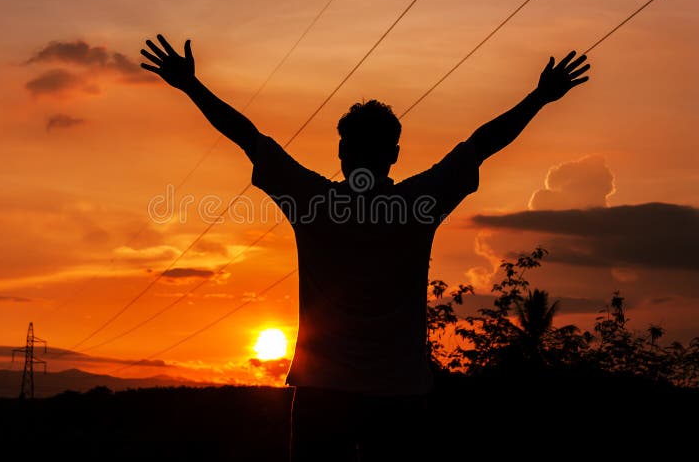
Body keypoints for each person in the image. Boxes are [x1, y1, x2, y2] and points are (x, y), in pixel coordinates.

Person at [141, 35, 589, 460]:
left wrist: (191, 86)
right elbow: (481, 145)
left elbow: (248, 138)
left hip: (322, 392)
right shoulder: (418, 204)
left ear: (341, 152)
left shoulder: (313, 202)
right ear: (393, 154)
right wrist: (539, 98)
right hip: (401, 394)